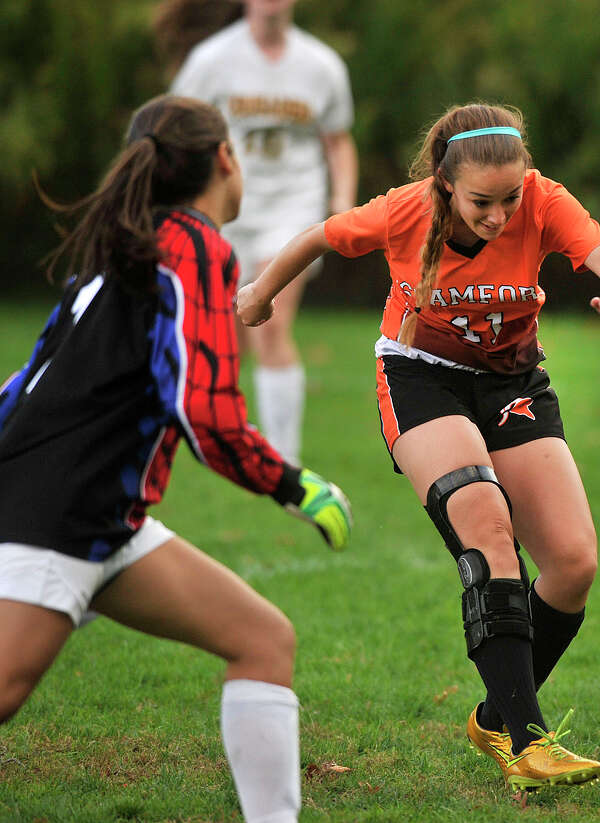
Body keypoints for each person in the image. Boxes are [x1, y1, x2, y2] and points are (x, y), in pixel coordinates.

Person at [237, 102, 600, 792]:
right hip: (420, 378)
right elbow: (319, 237)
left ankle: (495, 716)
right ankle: (529, 742)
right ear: (446, 185)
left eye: (510, 199)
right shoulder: (406, 210)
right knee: (486, 523)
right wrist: (259, 294)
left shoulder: (542, 199)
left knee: (574, 564)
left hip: (512, 381)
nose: (499, 215)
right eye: (483, 202)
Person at [0, 95, 352, 823]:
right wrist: (293, 483)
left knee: (262, 639)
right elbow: (206, 412)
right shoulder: (193, 246)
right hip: (58, 510)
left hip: (106, 520)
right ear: (225, 158)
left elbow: (26, 381)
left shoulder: (125, 248)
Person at [156, 0, 359, 463]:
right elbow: (174, 131)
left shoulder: (321, 64)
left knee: (272, 323)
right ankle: (223, 441)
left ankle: (285, 462)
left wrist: (341, 201)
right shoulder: (211, 59)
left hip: (294, 208)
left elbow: (337, 139)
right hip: (227, 211)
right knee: (227, 338)